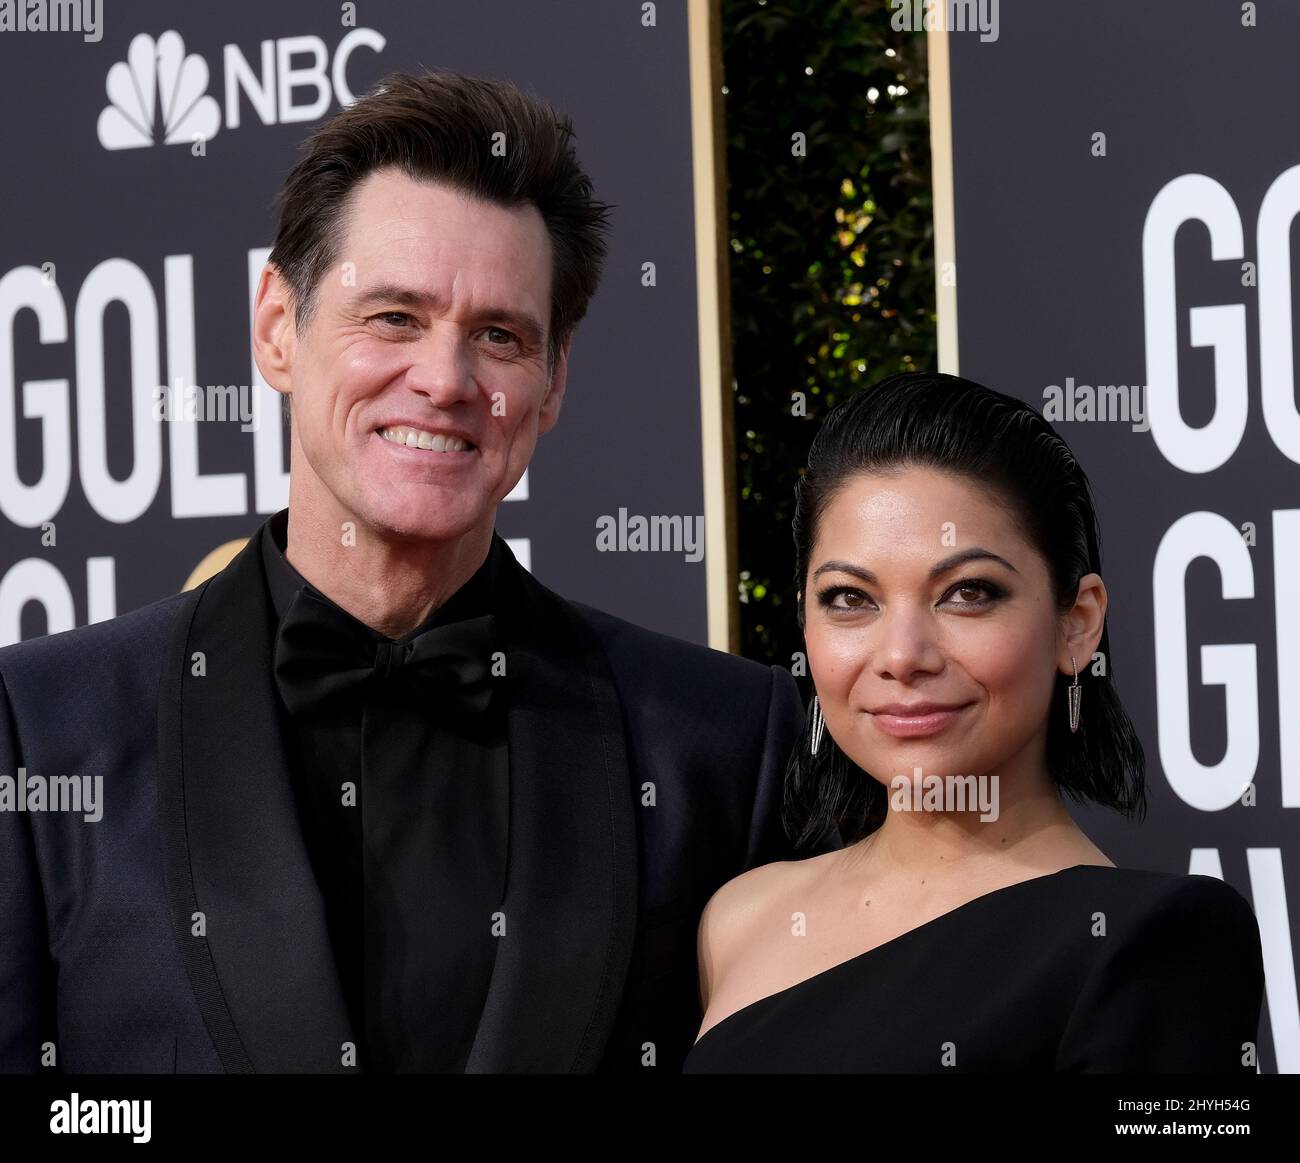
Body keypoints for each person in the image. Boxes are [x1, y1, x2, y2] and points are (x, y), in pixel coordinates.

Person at [0, 69, 828, 1075]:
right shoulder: (44, 730)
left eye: (499, 335)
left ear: (553, 380)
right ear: (276, 326)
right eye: (393, 316)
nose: (444, 380)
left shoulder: (722, 743)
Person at [684, 371, 1265, 1073]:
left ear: (1076, 624)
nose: (902, 655)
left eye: (967, 593)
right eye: (849, 598)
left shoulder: (1157, 944)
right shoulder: (738, 922)